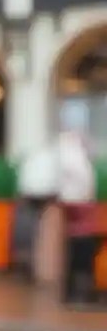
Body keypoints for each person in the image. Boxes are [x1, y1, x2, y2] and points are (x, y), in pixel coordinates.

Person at [57, 128, 99, 304]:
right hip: (82, 217)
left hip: (75, 218)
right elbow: (85, 188)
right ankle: (80, 293)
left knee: (74, 256)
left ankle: (72, 293)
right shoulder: (78, 161)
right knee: (81, 256)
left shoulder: (67, 158)